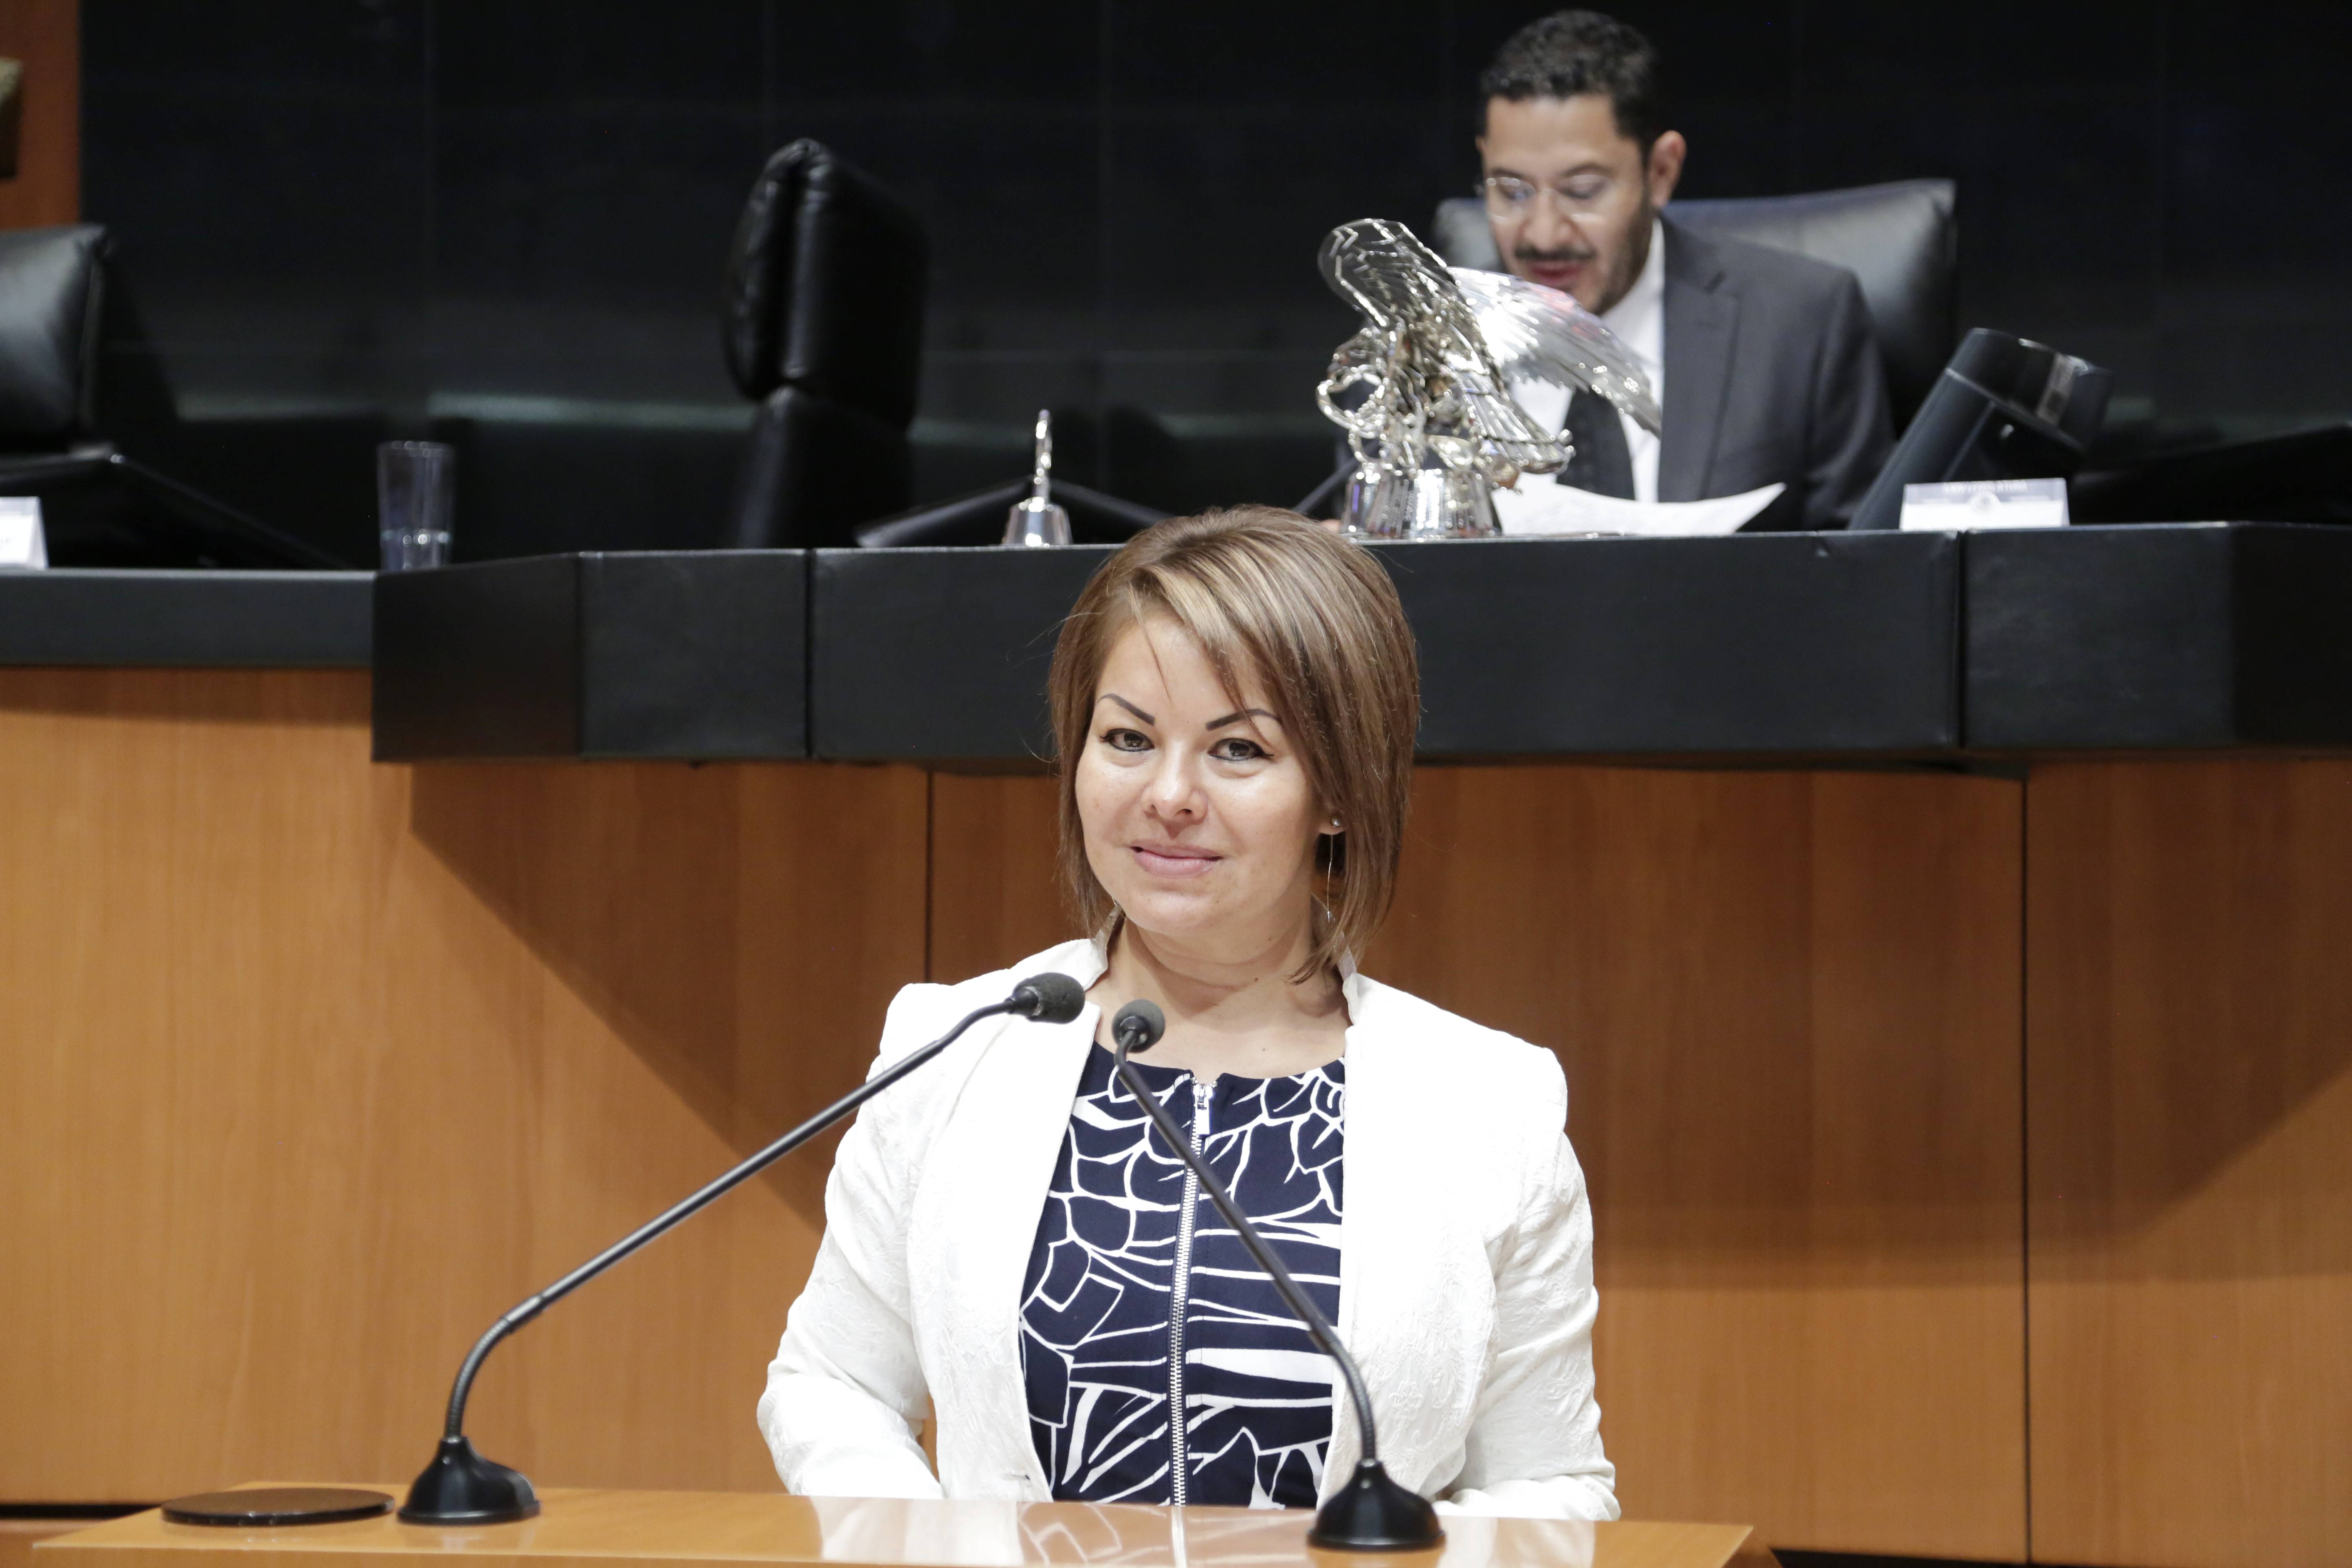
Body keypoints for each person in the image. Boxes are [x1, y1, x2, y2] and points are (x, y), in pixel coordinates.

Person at [758, 508, 1614, 1519]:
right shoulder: (961, 1046)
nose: (1167, 794)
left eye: (1236, 750)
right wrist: (931, 1551)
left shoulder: (1486, 1102)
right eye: (1126, 738)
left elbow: (1548, 1484)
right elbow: (833, 1386)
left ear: (1339, 789)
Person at [1478, 11, 1892, 529]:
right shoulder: (1411, 346)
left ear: (1661, 172)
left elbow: (1866, 573)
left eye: (1583, 191)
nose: (1543, 234)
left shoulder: (1802, 326)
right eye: (1511, 191)